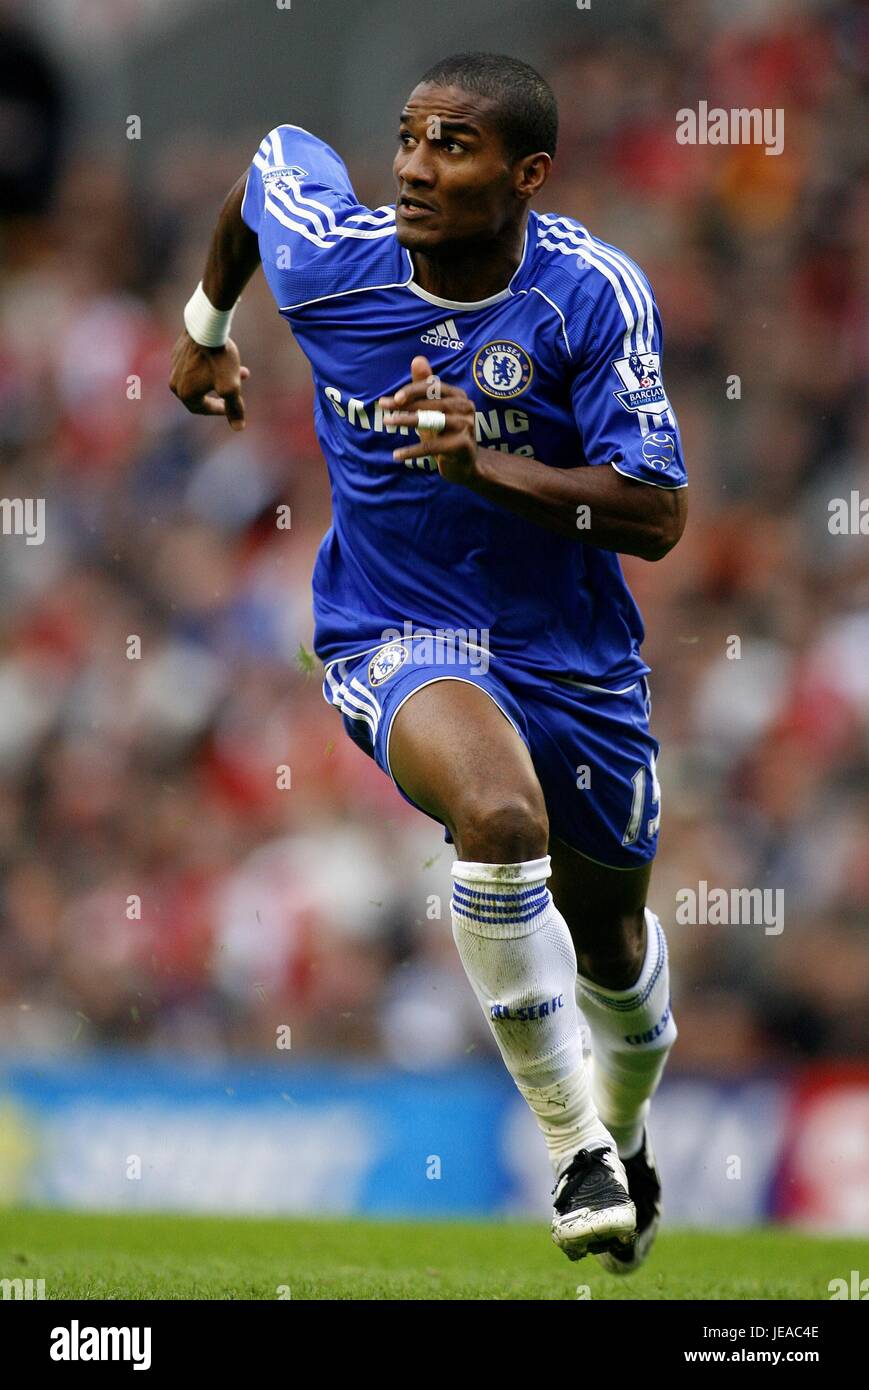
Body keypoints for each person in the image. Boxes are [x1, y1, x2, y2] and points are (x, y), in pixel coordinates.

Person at [170, 51, 687, 1268]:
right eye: (407, 137)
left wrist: (478, 467)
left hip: (575, 658)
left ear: (528, 176)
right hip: (395, 630)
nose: (410, 166)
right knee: (498, 817)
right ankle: (570, 1152)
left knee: (609, 943)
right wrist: (203, 333)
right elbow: (264, 172)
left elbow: (653, 516)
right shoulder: (335, 256)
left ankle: (622, 1129)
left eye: (451, 147)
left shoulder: (590, 295)